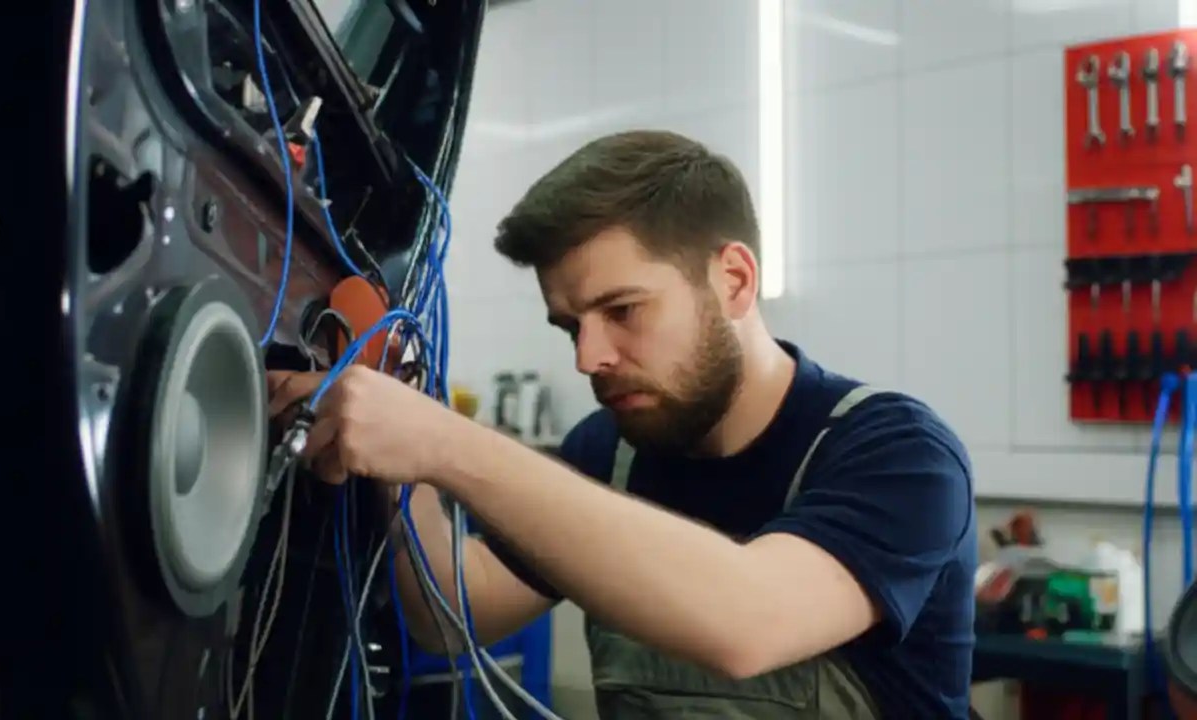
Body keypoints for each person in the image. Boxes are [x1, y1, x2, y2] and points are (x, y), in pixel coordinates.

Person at [267, 130, 978, 719]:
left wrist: (444, 440)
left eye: (624, 311)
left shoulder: (898, 454)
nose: (588, 358)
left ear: (733, 280)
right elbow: (453, 611)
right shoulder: (610, 452)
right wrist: (398, 453)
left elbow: (749, 621)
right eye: (570, 325)